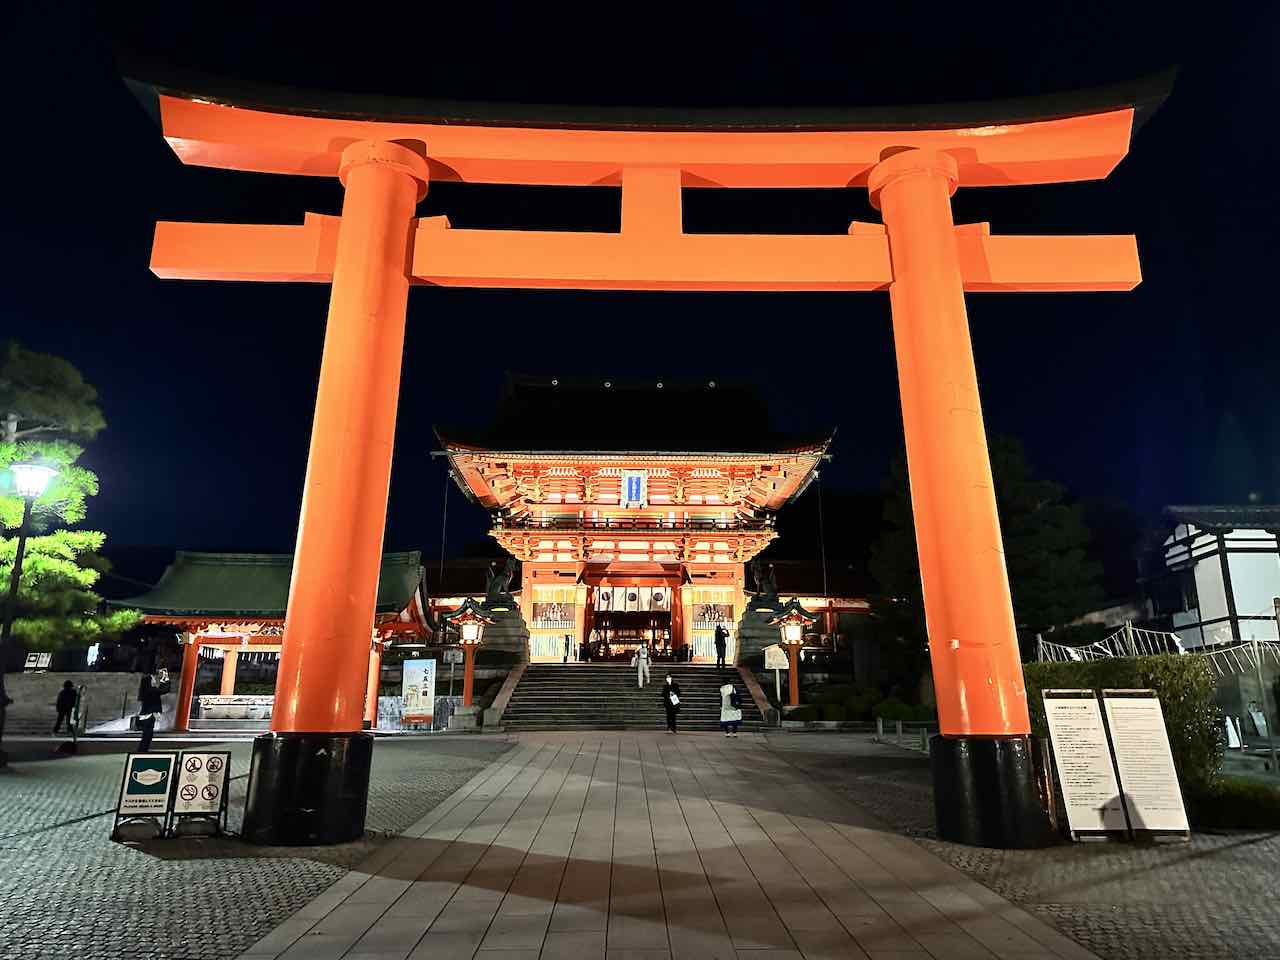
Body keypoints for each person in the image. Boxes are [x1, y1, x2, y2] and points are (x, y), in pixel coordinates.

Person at [136, 669, 167, 752]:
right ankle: (143, 749)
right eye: (152, 679)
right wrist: (165, 677)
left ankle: (143, 749)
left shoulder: (148, 690)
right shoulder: (150, 691)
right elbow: (164, 690)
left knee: (147, 733)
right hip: (149, 713)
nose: (154, 681)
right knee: (147, 733)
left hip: (148, 713)